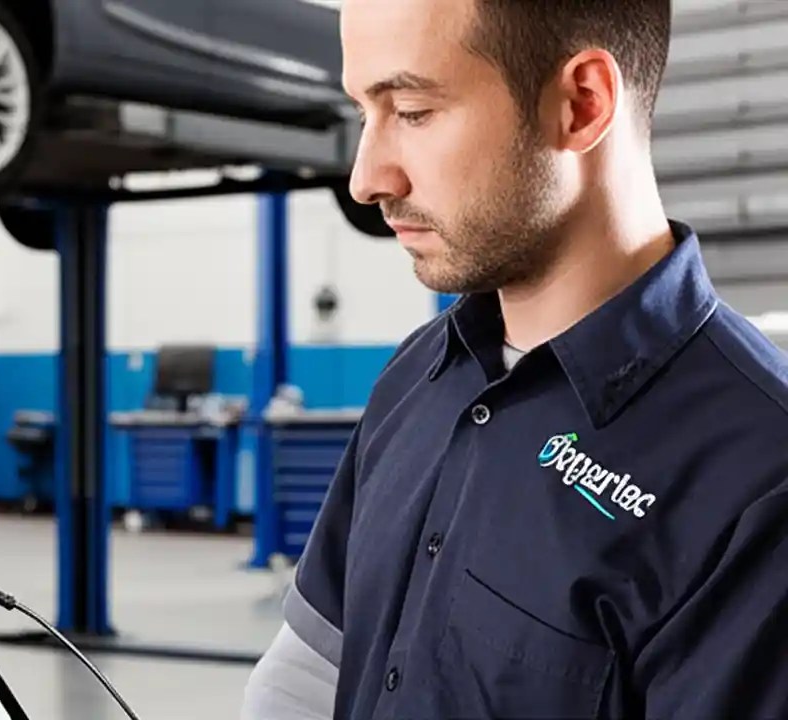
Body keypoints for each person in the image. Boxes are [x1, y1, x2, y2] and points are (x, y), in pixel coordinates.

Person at [241, 0, 788, 718]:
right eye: (362, 113)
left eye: (412, 112)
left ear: (581, 104)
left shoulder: (759, 479)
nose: (367, 179)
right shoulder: (418, 373)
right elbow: (309, 676)